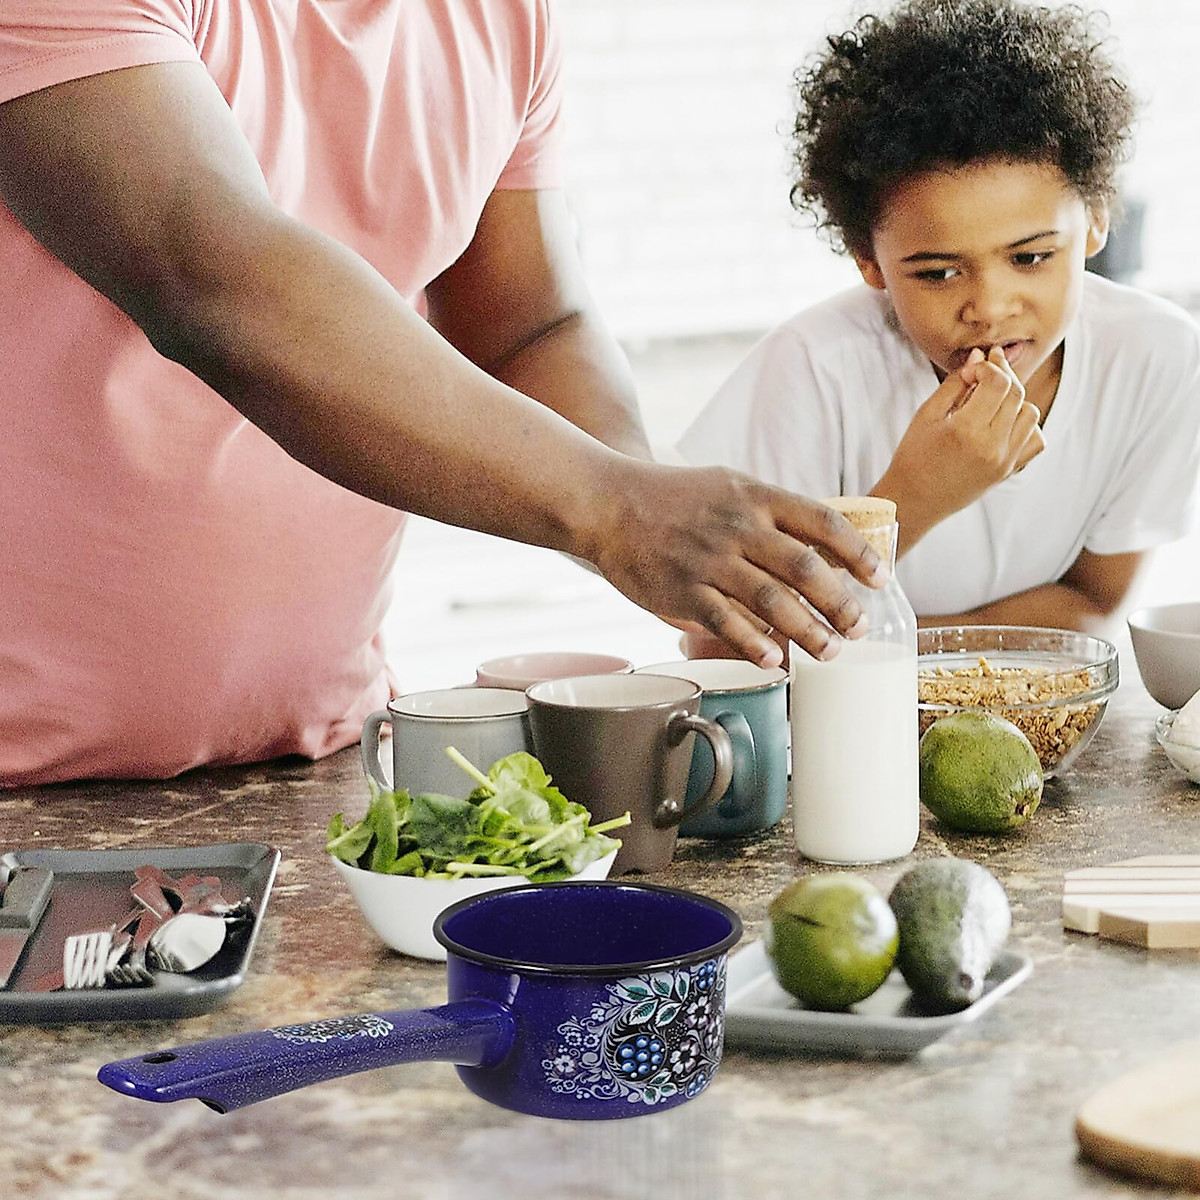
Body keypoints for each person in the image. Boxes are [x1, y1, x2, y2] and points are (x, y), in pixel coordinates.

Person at [0, 1, 887, 787]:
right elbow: (205, 273)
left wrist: (666, 528)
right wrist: (614, 510)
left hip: (316, 759)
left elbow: (530, 326)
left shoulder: (504, 16)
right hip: (20, 795)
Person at [678, 0, 1200, 657]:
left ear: (1096, 219)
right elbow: (725, 653)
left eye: (1031, 257)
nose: (988, 306)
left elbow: (1091, 608)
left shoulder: (1157, 358)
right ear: (869, 260)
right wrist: (913, 498)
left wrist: (885, 654)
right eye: (937, 273)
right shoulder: (813, 369)